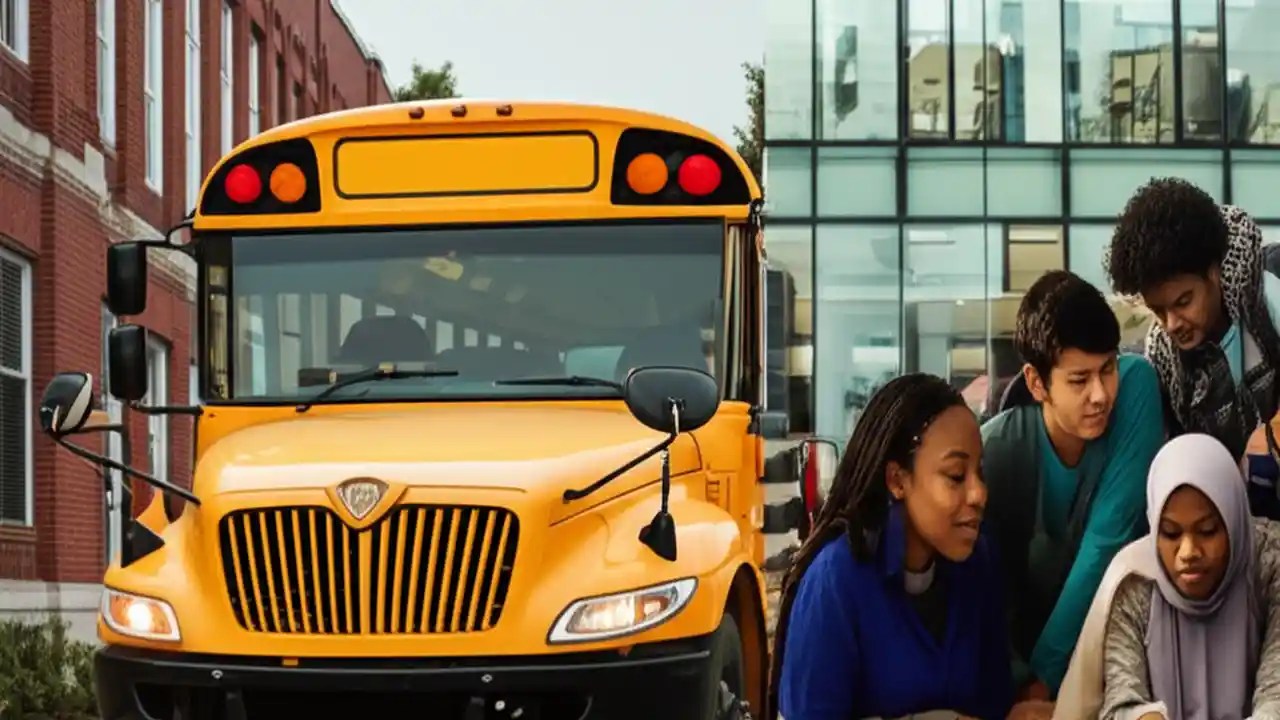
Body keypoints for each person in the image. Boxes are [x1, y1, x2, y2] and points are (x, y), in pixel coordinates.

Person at [768, 373, 1014, 720]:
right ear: (898, 479)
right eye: (956, 476)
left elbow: (994, 702)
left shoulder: (979, 562)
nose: (979, 494)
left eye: (981, 473)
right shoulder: (836, 580)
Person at [981, 270, 1165, 704]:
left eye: (1107, 369)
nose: (1101, 394)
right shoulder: (996, 452)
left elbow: (1108, 538)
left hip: (1118, 652)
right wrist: (1023, 685)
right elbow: (983, 593)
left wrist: (1044, 681)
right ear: (1036, 382)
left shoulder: (1135, 386)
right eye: (1079, 380)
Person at [1105, 177, 1280, 515]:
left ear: (1213, 272)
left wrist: (1273, 431)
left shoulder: (1271, 282)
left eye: (1183, 301)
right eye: (1158, 311)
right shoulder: (1162, 359)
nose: (1172, 324)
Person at [1096, 433, 1280, 720]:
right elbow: (1120, 702)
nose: (1188, 552)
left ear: (1234, 521)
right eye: (1170, 533)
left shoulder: (1269, 564)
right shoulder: (1136, 581)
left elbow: (1276, 696)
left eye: (1207, 531)